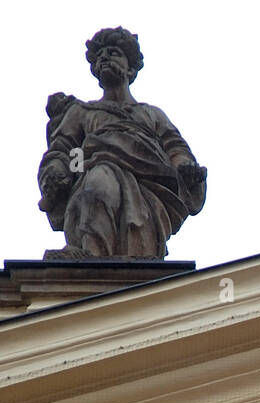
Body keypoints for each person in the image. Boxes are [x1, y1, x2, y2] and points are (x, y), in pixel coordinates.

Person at [38, 27, 207, 259]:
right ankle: (92, 257)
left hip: (148, 182)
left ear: (130, 67)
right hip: (95, 170)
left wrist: (186, 169)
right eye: (100, 56)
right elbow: (66, 150)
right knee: (98, 187)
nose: (105, 57)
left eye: (114, 52)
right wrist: (64, 173)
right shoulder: (82, 112)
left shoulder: (151, 114)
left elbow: (175, 147)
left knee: (138, 221)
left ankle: (132, 267)